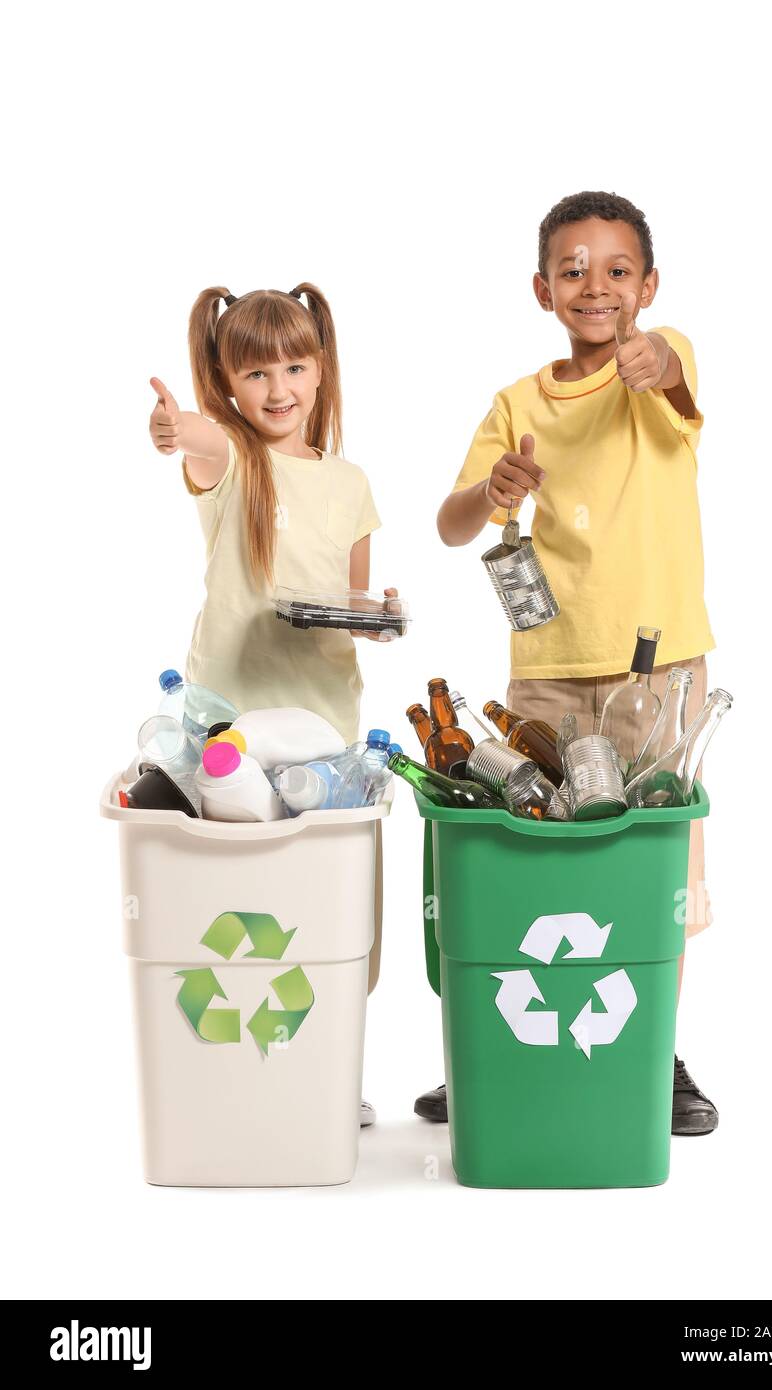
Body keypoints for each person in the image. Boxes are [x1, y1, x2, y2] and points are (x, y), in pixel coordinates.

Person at [415, 191, 717, 1136]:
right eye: (574, 270)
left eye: (617, 270)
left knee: (642, 858)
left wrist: (655, 357)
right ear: (542, 289)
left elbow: (671, 377)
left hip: (656, 664)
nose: (597, 286)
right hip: (546, 665)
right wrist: (492, 487)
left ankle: (651, 1049)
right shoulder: (518, 403)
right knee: (530, 850)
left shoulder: (661, 364)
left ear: (648, 286)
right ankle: (497, 1038)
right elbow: (455, 522)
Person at [149, 283, 397, 1127]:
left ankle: (322, 1079)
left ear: (322, 370)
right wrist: (176, 426)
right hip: (229, 729)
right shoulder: (230, 460)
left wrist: (381, 616)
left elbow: (353, 606)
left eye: (295, 366)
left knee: (329, 917)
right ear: (226, 382)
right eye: (255, 373)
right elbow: (195, 438)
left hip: (324, 729)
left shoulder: (352, 484)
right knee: (231, 912)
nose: (279, 388)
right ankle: (231, 1084)